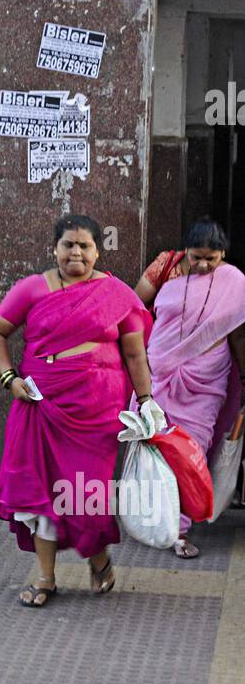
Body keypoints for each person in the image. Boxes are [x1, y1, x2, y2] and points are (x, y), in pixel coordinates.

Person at [0, 213, 159, 607]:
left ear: (98, 250)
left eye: (84, 245)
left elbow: (135, 353)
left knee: (84, 497)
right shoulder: (32, 288)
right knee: (38, 491)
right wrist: (9, 378)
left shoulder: (117, 296)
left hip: (97, 409)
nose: (75, 252)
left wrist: (147, 401)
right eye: (68, 245)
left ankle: (98, 559)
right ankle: (45, 578)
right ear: (54, 249)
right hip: (39, 405)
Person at [135, 217, 245, 558]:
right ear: (186, 250)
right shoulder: (165, 267)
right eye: (196, 257)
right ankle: (153, 517)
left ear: (223, 254)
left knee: (192, 449)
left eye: (211, 259)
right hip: (160, 373)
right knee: (160, 446)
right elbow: (135, 309)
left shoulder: (234, 281)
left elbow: (237, 334)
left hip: (207, 380)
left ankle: (179, 529)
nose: (202, 265)